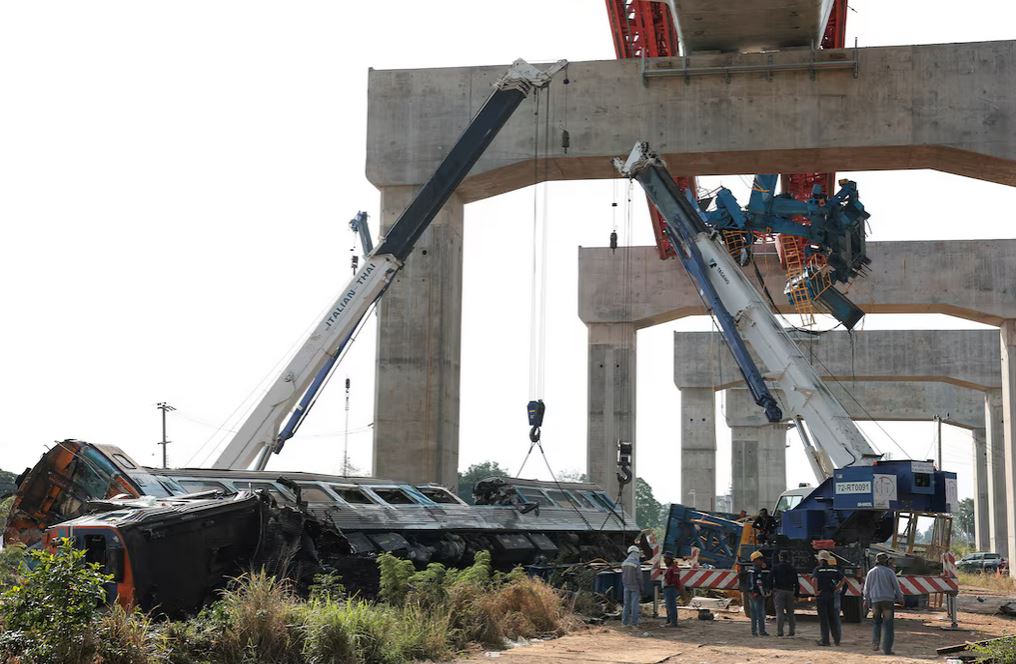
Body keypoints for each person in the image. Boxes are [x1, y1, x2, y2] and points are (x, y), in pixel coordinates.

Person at [864, 552, 904, 655]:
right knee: (888, 625)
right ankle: (887, 649)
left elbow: (867, 588)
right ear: (886, 561)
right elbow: (896, 587)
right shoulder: (890, 572)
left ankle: (875, 644)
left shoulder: (870, 572)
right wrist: (900, 598)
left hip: (875, 602)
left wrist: (866, 600)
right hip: (888, 602)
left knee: (876, 623)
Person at [813, 550, 845, 646]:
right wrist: (836, 588)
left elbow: (814, 580)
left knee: (823, 619)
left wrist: (816, 592)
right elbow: (843, 580)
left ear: (820, 560)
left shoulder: (818, 570)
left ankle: (825, 640)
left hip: (821, 596)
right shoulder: (833, 570)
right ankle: (836, 640)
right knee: (832, 618)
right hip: (831, 596)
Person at [772, 550, 799, 637]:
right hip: (790, 591)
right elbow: (796, 582)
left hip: (779, 591)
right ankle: (791, 631)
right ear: (788, 557)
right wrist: (796, 594)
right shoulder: (792, 568)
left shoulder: (776, 567)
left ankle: (780, 632)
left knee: (779, 612)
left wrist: (770, 588)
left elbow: (769, 578)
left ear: (780, 557)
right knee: (791, 613)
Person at [747, 550, 772, 636]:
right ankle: (761, 631)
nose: (762, 561)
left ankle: (754, 632)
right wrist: (755, 592)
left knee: (754, 614)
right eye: (760, 559)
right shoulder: (756, 571)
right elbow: (756, 583)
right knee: (760, 614)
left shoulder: (751, 570)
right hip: (756, 594)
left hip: (752, 594)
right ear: (755, 560)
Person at [621, 544, 643, 628]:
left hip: (626, 586)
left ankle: (624, 623)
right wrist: (642, 587)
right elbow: (639, 577)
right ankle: (634, 623)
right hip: (635, 586)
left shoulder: (624, 563)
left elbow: (623, 575)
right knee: (634, 605)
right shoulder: (636, 563)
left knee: (626, 604)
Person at [661, 552, 684, 627]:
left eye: (665, 559)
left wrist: (672, 585)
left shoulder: (673, 568)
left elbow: (675, 580)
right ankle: (669, 621)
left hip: (670, 588)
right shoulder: (672, 568)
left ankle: (673, 622)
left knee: (671, 605)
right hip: (669, 588)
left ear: (669, 559)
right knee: (669, 605)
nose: (664, 560)